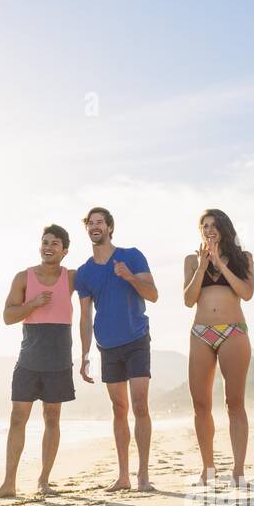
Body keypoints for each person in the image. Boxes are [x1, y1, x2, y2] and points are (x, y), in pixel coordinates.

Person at [0, 225, 78, 498]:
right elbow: (7, 316)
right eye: (45, 242)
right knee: (18, 418)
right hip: (29, 358)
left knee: (52, 418)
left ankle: (44, 481)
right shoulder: (23, 278)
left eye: (55, 243)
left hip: (59, 357)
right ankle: (8, 484)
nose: (48, 246)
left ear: (65, 250)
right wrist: (33, 304)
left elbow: (101, 277)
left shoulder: (72, 277)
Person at [75, 207, 159, 491]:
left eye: (100, 222)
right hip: (107, 346)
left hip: (136, 339)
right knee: (119, 409)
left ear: (110, 227)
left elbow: (153, 294)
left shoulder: (131, 255)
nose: (95, 226)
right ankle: (123, 476)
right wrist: (85, 354)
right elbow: (84, 317)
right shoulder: (85, 272)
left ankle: (143, 476)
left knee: (139, 405)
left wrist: (130, 277)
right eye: (90, 223)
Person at [182, 209, 254, 485]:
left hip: (233, 332)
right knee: (201, 404)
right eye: (204, 226)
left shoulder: (242, 258)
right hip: (201, 333)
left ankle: (238, 471)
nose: (209, 230)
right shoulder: (191, 260)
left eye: (213, 225)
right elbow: (189, 299)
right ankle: (208, 469)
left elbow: (246, 293)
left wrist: (221, 264)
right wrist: (203, 265)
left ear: (224, 228)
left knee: (234, 402)